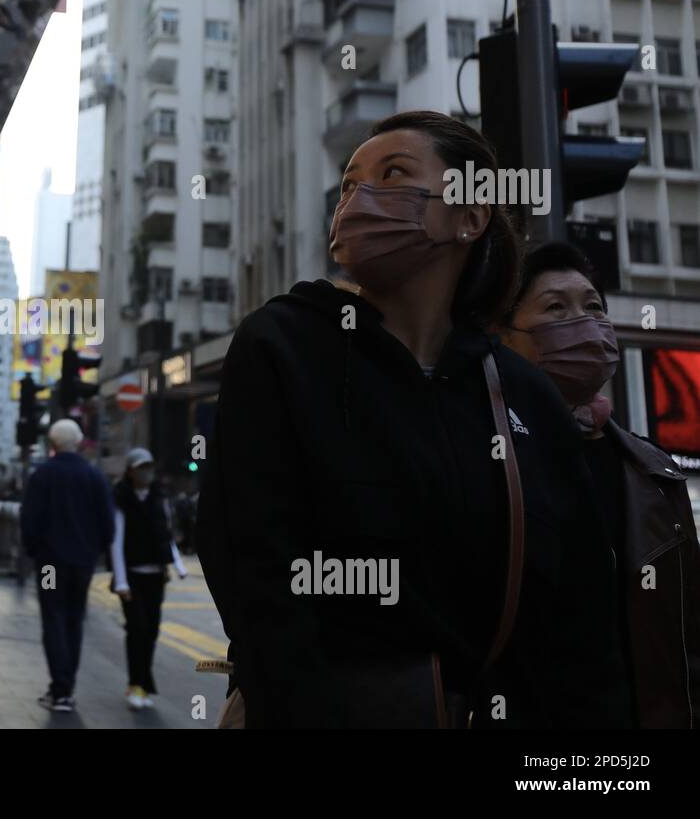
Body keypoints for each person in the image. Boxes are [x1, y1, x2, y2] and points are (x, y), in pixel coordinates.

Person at [198, 110, 631, 728]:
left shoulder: (523, 396)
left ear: (470, 217)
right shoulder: (284, 345)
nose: (360, 196)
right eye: (350, 184)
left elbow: (579, 622)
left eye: (393, 173)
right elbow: (253, 570)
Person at [498, 241, 700, 728]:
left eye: (593, 307)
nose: (585, 323)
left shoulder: (654, 471)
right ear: (504, 337)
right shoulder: (490, 457)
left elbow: (686, 637)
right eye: (555, 308)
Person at [21, 419, 115, 712]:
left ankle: (59, 689)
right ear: (79, 442)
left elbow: (30, 520)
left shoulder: (42, 475)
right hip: (83, 563)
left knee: (54, 618)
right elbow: (108, 524)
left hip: (50, 563)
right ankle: (66, 687)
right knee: (74, 619)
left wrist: (35, 550)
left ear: (52, 443)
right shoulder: (94, 476)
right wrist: (93, 551)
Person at [110, 448, 188, 710]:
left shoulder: (160, 497)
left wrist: (177, 565)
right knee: (137, 629)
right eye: (141, 467)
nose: (147, 472)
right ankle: (136, 684)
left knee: (152, 631)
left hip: (156, 576)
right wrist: (120, 581)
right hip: (131, 577)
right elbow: (116, 542)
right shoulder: (120, 498)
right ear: (130, 470)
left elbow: (165, 533)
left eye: (150, 467)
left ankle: (143, 684)